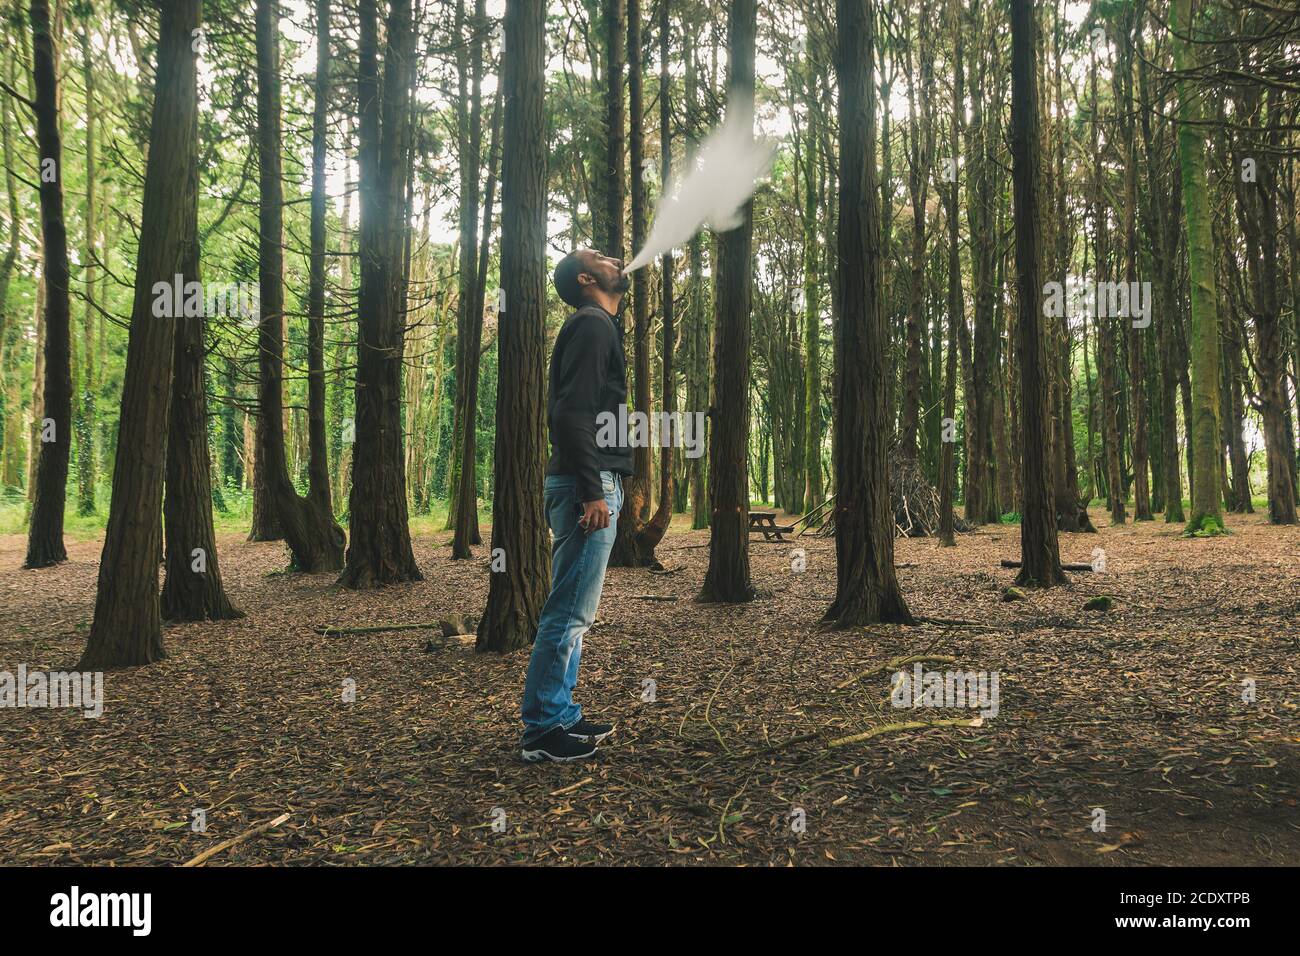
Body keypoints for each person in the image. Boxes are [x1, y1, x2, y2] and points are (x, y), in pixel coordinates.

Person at [520, 248, 633, 762]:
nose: (616, 258)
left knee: (575, 614)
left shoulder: (596, 325)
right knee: (567, 613)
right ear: (588, 279)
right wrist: (593, 490)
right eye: (602, 257)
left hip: (589, 481)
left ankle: (561, 712)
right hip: (585, 485)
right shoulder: (592, 324)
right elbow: (571, 414)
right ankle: (542, 730)